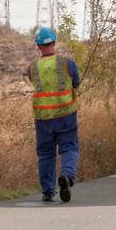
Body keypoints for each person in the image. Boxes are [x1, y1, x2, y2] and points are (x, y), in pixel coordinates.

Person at [28, 26, 80, 203]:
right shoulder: (67, 63)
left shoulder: (32, 67)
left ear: (38, 46)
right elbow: (77, 83)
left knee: (45, 154)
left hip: (42, 118)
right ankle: (67, 175)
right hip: (65, 114)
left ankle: (48, 191)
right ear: (55, 42)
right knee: (70, 148)